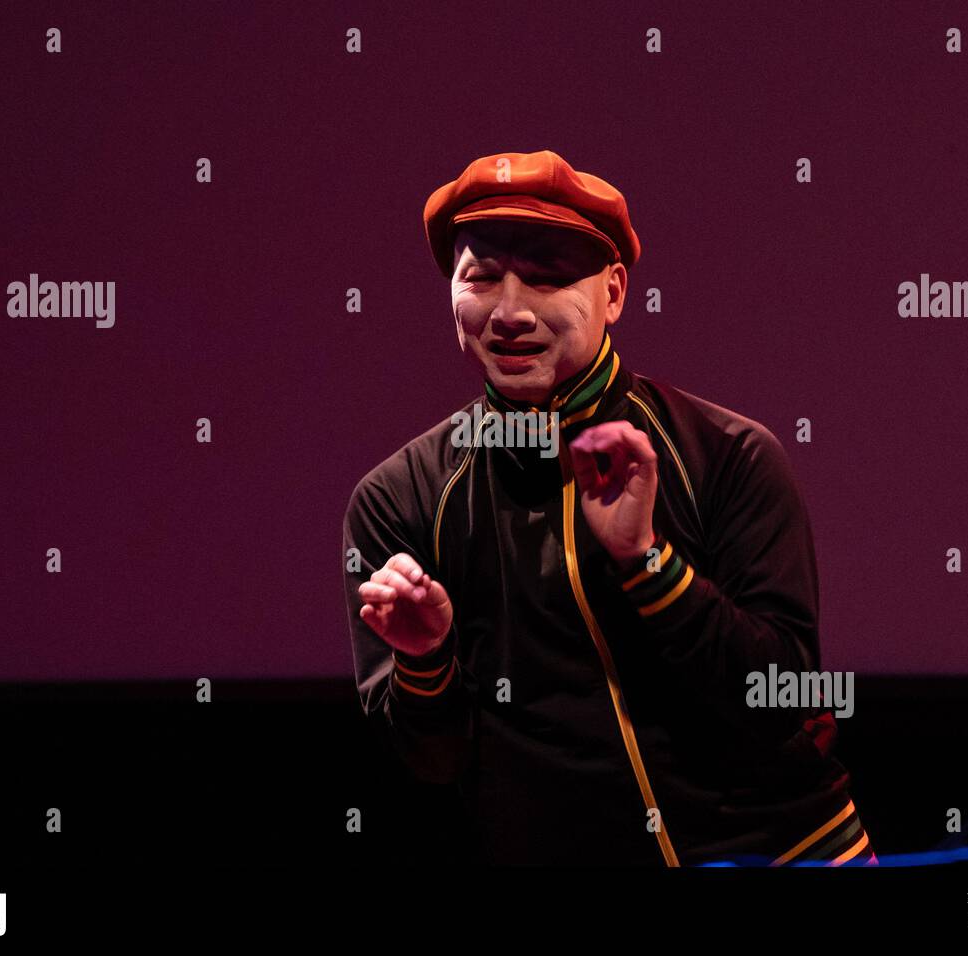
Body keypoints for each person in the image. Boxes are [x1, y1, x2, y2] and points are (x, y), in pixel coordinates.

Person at [341, 149, 877, 866]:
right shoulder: (399, 498)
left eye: (546, 274)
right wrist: (425, 661)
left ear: (616, 293)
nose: (508, 310)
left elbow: (787, 699)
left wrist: (648, 564)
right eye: (481, 276)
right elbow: (433, 764)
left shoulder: (728, 453)